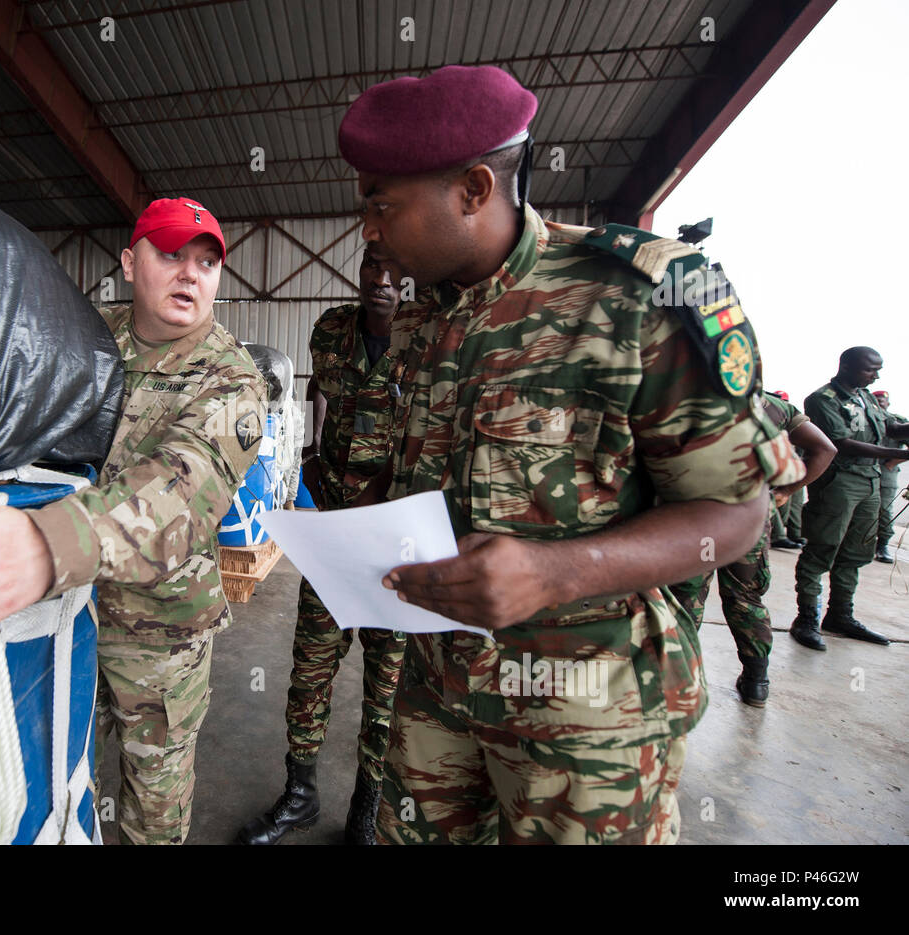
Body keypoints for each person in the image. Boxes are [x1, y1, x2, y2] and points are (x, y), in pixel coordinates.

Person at [337, 65, 805, 844]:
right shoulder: (426, 319)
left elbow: (736, 514)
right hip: (437, 696)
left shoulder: (638, 298)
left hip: (587, 724)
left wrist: (556, 572)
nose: (370, 229)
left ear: (475, 189)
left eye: (382, 202)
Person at [0, 196, 266, 845]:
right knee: (54, 774)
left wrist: (44, 543)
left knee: (152, 806)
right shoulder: (82, 334)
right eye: (170, 254)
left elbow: (183, 490)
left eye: (206, 262)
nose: (191, 274)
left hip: (159, 631)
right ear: (131, 262)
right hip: (63, 609)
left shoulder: (231, 377)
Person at [236, 247, 409, 846]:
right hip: (333, 527)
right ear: (359, 274)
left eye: (392, 273)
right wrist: (310, 452)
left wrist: (383, 495)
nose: (381, 282)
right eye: (371, 269)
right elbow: (318, 387)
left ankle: (367, 807)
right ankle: (300, 795)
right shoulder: (332, 327)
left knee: (387, 683)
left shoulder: (426, 338)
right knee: (311, 666)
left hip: (394, 539)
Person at [669, 391, 835, 706]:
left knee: (685, 598)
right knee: (746, 598)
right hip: (748, 520)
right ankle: (756, 681)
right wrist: (785, 491)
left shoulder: (685, 395)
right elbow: (825, 448)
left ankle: (676, 682)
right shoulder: (775, 406)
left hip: (695, 519)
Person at [792, 348, 909, 648]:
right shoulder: (823, 399)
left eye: (878, 370)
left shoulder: (866, 396)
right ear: (847, 366)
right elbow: (841, 443)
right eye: (871, 370)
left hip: (870, 482)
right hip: (838, 482)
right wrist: (897, 454)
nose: (877, 375)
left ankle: (840, 615)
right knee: (821, 548)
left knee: (855, 553)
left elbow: (890, 428)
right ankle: (806, 619)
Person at [768, 390, 807, 550]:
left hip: (791, 468)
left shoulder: (792, 420)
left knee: (793, 502)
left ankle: (793, 534)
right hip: (772, 468)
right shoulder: (768, 419)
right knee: (770, 498)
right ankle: (778, 535)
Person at [871, 390, 907, 562]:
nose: (880, 404)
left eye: (882, 401)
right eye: (876, 400)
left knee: (884, 511)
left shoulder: (898, 422)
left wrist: (892, 463)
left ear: (888, 403)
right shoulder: (864, 418)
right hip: (863, 471)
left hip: (885, 473)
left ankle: (882, 545)